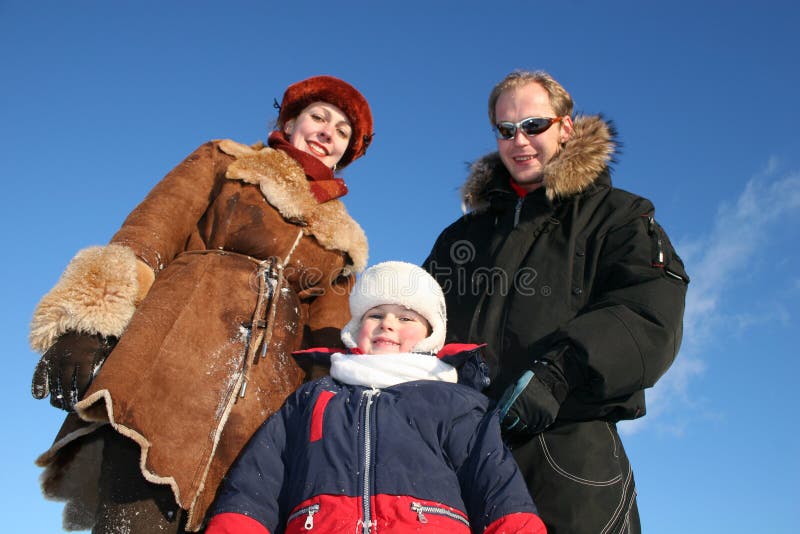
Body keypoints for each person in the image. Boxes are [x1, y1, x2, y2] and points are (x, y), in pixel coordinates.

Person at [28, 75, 374, 533]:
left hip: (259, 420)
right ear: (290, 122)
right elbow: (150, 233)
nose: (329, 132)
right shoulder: (227, 162)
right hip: (165, 375)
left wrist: (334, 427)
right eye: (319, 117)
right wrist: (88, 323)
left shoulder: (342, 242)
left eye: (343, 131)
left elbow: (327, 345)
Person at [423, 70, 689, 533]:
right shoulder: (460, 238)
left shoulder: (619, 217)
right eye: (506, 130)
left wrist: (557, 375)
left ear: (566, 126)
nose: (519, 141)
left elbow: (648, 311)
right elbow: (418, 320)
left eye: (533, 125)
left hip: (565, 450)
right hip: (459, 458)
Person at [205, 261, 547, 534]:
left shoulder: (453, 401)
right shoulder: (314, 397)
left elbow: (495, 484)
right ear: (356, 328)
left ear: (430, 336)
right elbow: (257, 483)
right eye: (375, 315)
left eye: (406, 317)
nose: (388, 324)